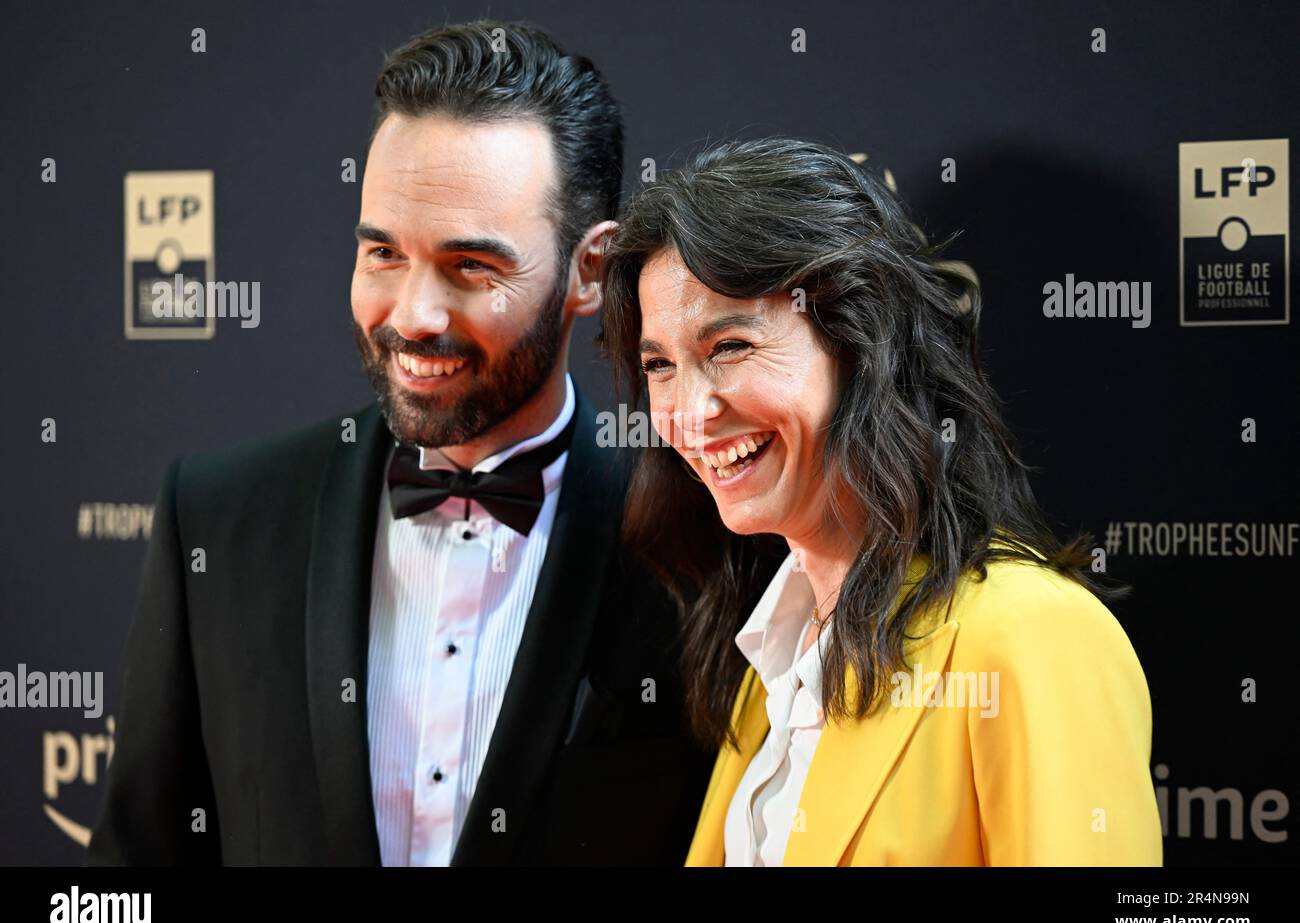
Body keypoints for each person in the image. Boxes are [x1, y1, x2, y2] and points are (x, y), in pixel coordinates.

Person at [88, 20, 724, 867]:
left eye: (470, 267)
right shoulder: (216, 518)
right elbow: (129, 874)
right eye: (383, 253)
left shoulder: (701, 535)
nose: (413, 316)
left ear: (590, 272)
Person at [598, 136, 1164, 866]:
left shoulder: (1030, 636)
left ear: (864, 343)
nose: (691, 412)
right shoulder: (771, 650)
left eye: (731, 346)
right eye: (660, 366)